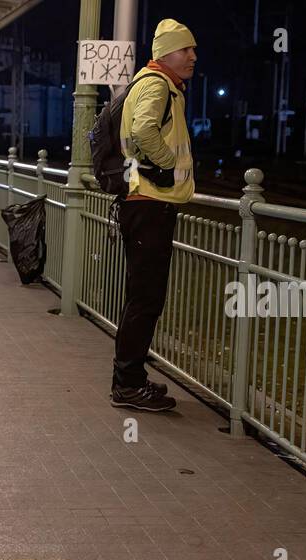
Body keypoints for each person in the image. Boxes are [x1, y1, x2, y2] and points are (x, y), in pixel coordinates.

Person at [111, 18, 197, 413]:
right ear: (165, 53)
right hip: (149, 203)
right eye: (185, 49)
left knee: (142, 297)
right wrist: (166, 164)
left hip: (145, 203)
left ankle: (131, 379)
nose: (193, 56)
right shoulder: (157, 85)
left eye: (193, 49)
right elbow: (144, 130)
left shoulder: (158, 85)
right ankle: (127, 385)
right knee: (145, 299)